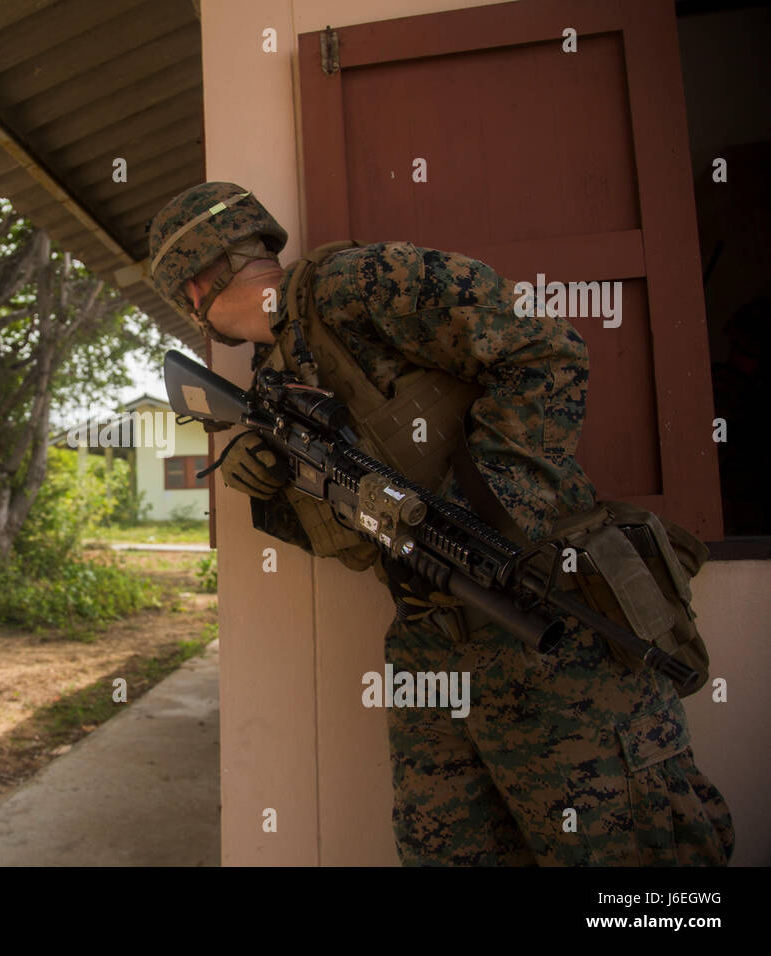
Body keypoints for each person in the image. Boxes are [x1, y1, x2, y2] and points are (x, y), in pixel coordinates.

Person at [148, 181, 735, 866]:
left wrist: (487, 513)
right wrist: (282, 490)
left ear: (193, 288)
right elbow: (358, 538)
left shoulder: (354, 285)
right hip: (433, 643)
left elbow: (545, 350)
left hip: (551, 611)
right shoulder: (276, 379)